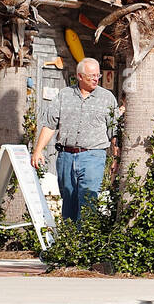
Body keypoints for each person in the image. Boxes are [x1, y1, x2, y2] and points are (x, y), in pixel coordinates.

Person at [31, 57, 119, 223]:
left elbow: (114, 131)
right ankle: (70, 245)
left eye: (98, 75)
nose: (96, 79)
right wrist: (38, 150)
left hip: (93, 156)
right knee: (68, 201)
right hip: (65, 156)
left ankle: (86, 244)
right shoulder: (64, 95)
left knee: (88, 200)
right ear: (79, 76)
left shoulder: (107, 98)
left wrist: (116, 158)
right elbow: (50, 124)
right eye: (91, 75)